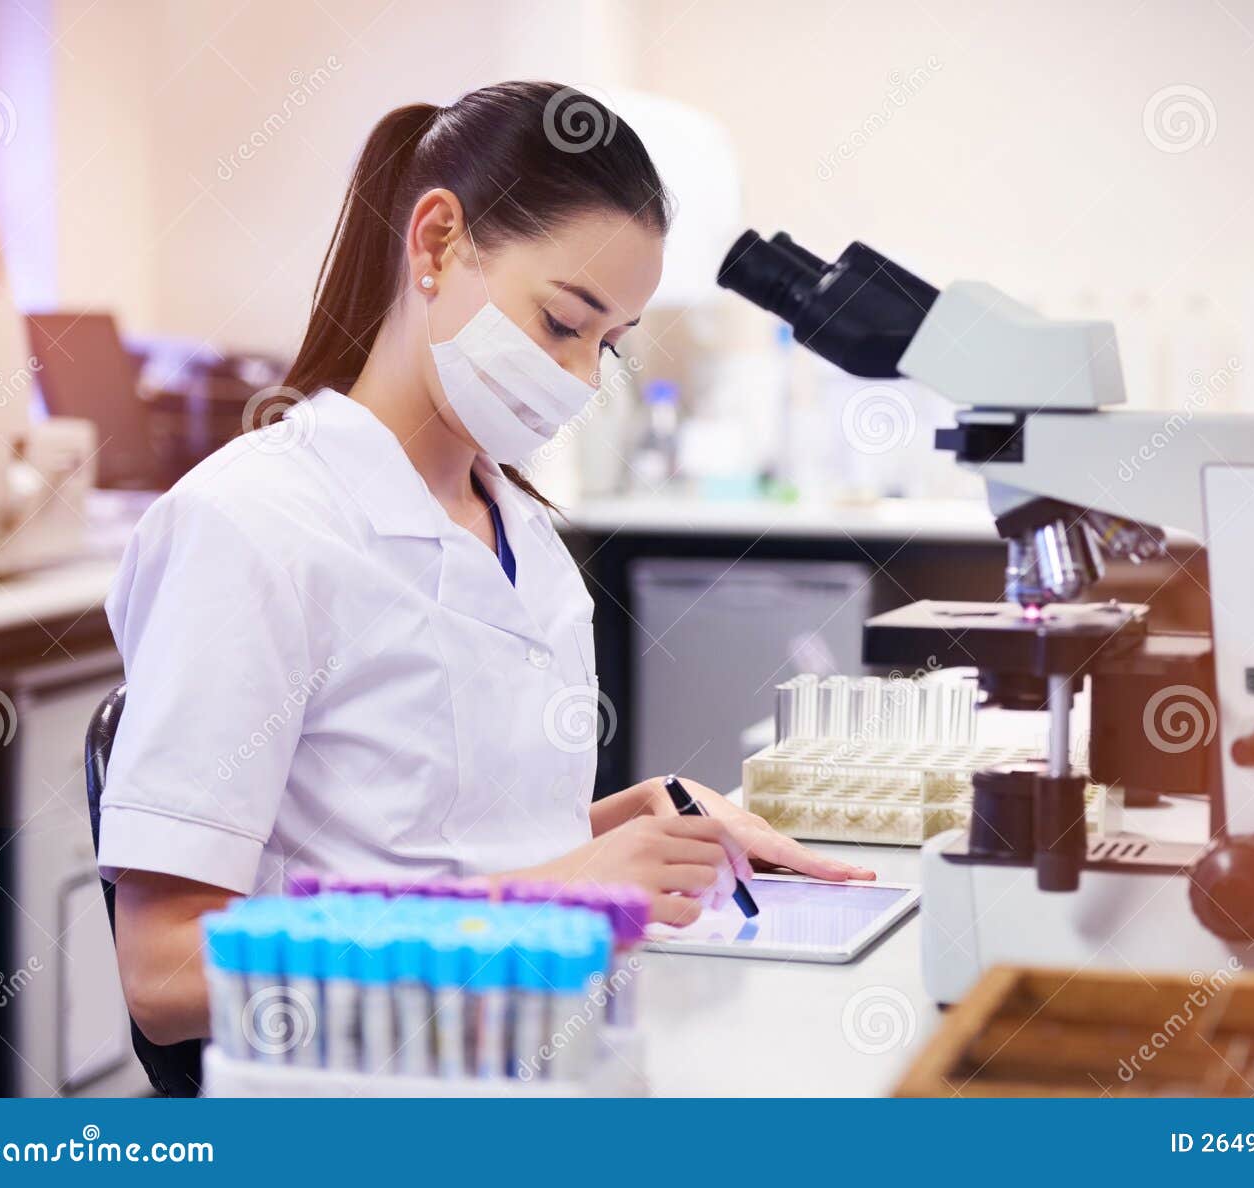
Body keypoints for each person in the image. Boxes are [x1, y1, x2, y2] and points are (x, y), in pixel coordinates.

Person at [99, 82, 873, 1048]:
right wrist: (549, 890)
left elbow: (426, 846)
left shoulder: (523, 536)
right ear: (435, 243)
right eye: (561, 323)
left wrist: (632, 826)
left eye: (609, 346)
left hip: (540, 1047)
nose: (582, 378)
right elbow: (166, 971)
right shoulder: (251, 524)